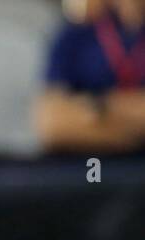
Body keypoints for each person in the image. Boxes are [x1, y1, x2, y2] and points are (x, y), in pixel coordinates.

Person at [36, 0, 145, 152]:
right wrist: (134, 133)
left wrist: (97, 110)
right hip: (85, 167)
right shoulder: (75, 37)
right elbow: (52, 124)